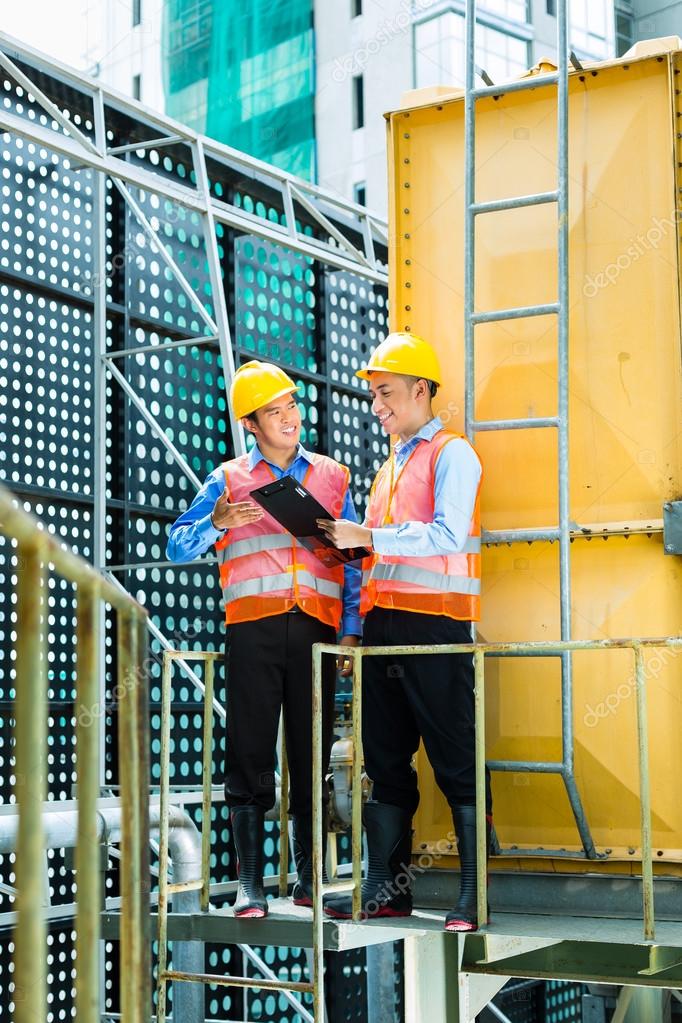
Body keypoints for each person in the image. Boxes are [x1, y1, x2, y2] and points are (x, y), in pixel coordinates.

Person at [166, 360, 361, 918]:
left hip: (317, 631)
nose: (289, 419)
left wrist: (351, 631)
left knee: (311, 752)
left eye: (292, 407)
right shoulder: (226, 480)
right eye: (275, 413)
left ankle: (309, 881)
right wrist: (217, 522)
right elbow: (179, 545)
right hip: (252, 629)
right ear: (251, 424)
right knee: (249, 753)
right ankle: (251, 885)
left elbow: (352, 564)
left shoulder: (331, 475)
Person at [318, 332, 492, 932]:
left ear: (421, 390)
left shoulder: (453, 454)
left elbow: (446, 535)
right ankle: (385, 890)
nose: (377, 407)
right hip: (383, 629)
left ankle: (473, 894)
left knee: (455, 758)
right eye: (374, 396)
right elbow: (373, 552)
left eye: (386, 393)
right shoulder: (388, 467)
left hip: (437, 628)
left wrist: (368, 537)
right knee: (385, 760)